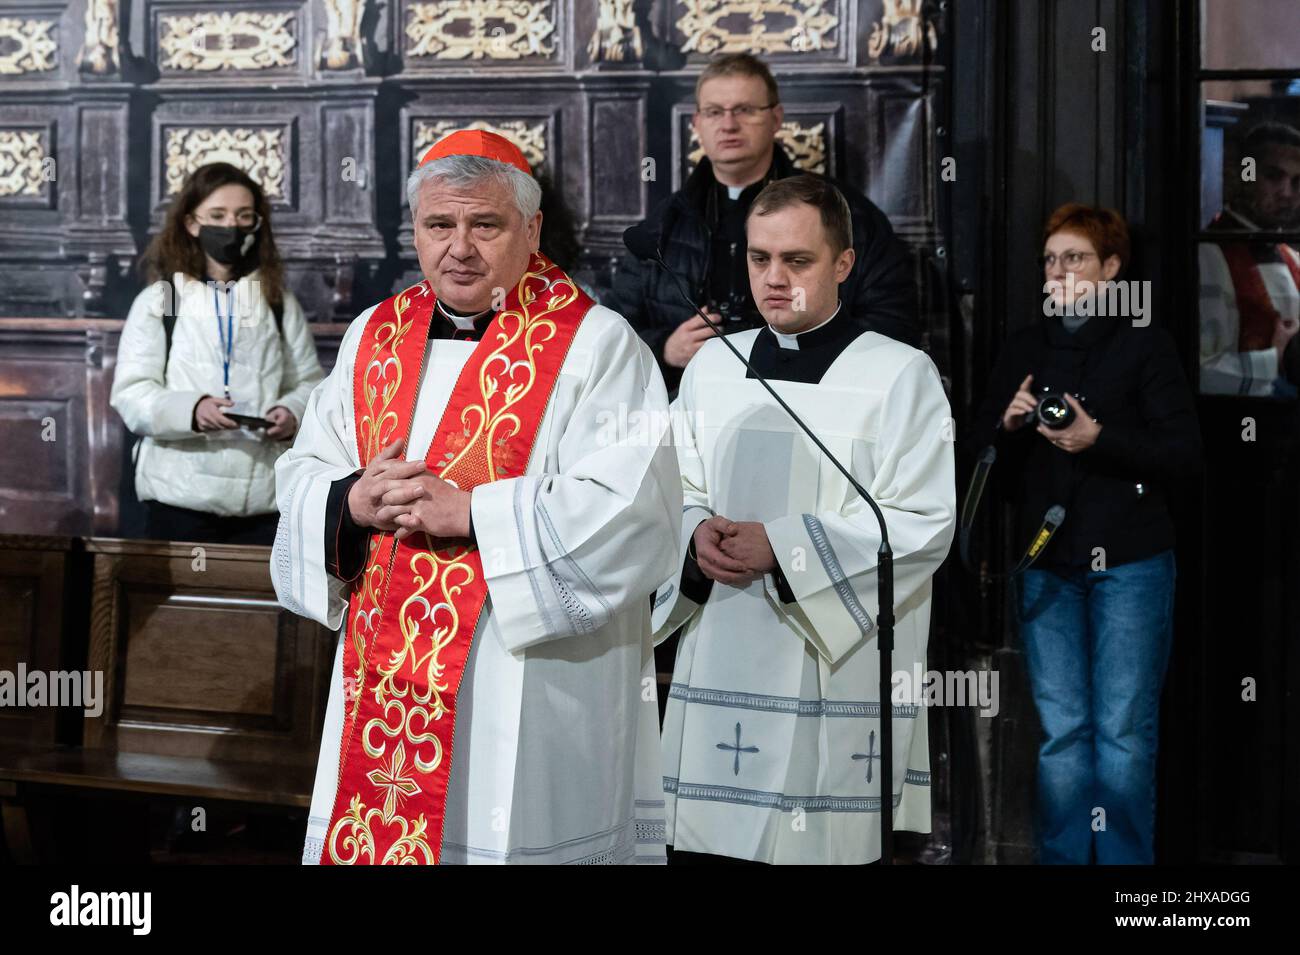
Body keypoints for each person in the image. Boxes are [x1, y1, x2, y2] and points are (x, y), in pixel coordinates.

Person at [270, 130, 682, 865]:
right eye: (438, 225)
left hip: (530, 676)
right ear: (415, 232)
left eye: (483, 225)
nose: (459, 247)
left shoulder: (599, 344)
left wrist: (475, 513)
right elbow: (304, 469)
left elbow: (634, 510)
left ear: (531, 229)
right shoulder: (374, 335)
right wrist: (351, 500)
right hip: (385, 673)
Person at [652, 175, 955, 864]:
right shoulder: (714, 368)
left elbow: (923, 524)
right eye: (760, 259)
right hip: (723, 637)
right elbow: (674, 485)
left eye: (798, 260)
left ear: (842, 265)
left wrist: (787, 548)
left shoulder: (901, 375)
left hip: (831, 659)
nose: (774, 277)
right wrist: (696, 530)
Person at [972, 203, 1203, 864]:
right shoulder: (1024, 346)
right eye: (1050, 259)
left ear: (1110, 268)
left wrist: (1096, 438)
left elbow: (1184, 455)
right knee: (1062, 732)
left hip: (1130, 560)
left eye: (1075, 258)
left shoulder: (1144, 343)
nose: (1059, 271)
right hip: (1047, 561)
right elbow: (982, 462)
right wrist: (1008, 428)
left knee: (1124, 731)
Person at [608, 53, 918, 394]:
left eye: (744, 110)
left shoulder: (844, 213)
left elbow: (894, 322)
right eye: (714, 112)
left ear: (776, 118)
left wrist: (807, 357)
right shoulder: (663, 224)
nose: (728, 124)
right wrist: (665, 348)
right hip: (694, 406)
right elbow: (616, 331)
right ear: (696, 123)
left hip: (816, 404)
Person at [110, 162, 323, 545]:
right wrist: (193, 410)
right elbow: (131, 393)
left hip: (265, 501)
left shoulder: (276, 301)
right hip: (181, 500)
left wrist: (292, 412)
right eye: (218, 215)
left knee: (258, 605)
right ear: (192, 223)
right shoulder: (162, 299)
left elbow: (311, 383)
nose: (232, 226)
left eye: (244, 216)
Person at [1200, 121, 1300, 396]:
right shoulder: (1208, 255)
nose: (1287, 193)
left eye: (1297, 181)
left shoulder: (1291, 256)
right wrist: (1276, 358)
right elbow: (1198, 370)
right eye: (1273, 176)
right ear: (1241, 176)